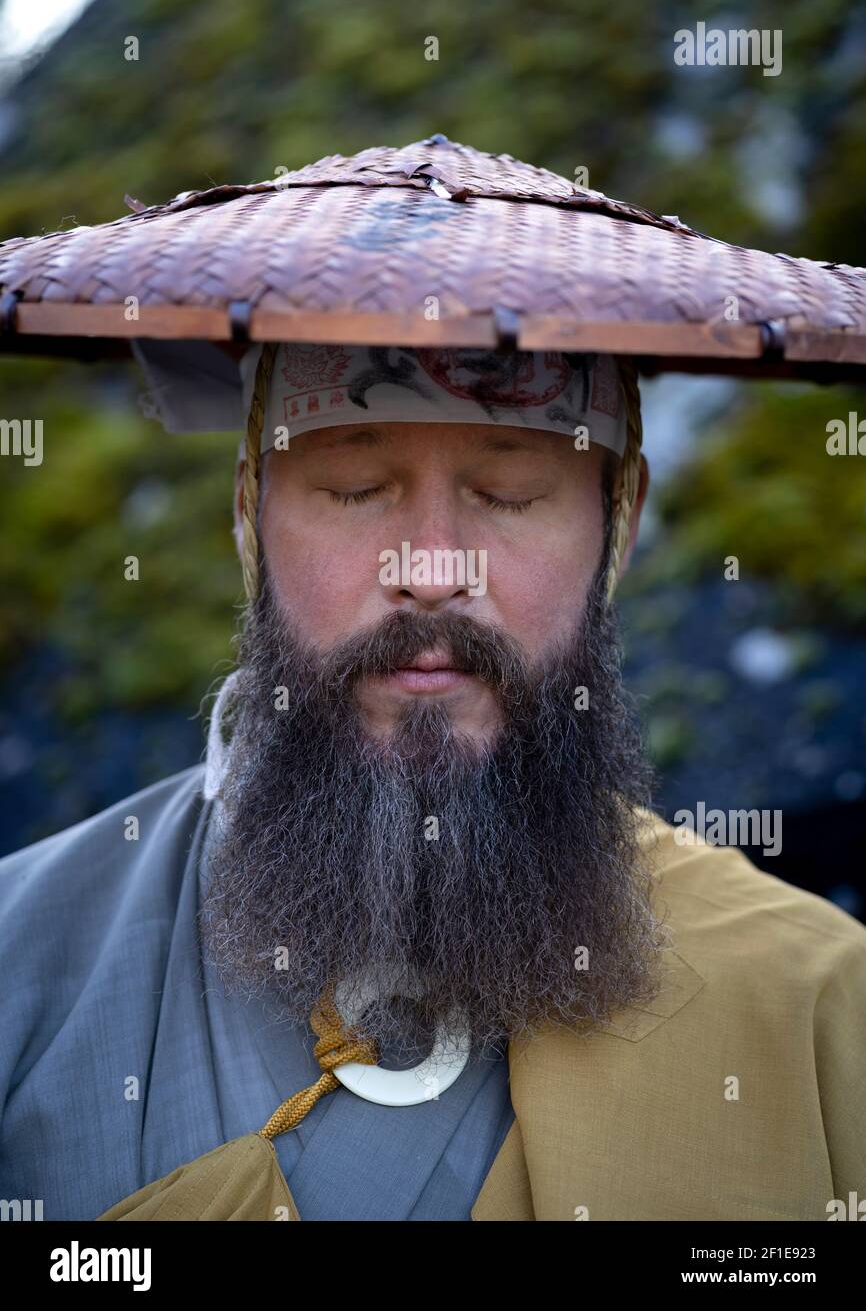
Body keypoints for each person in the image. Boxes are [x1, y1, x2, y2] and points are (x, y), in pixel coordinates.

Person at [0, 341, 863, 1222]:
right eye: (353, 488)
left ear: (622, 518)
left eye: (511, 495)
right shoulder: (19, 958)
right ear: (248, 514)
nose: (432, 572)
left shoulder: (813, 998)